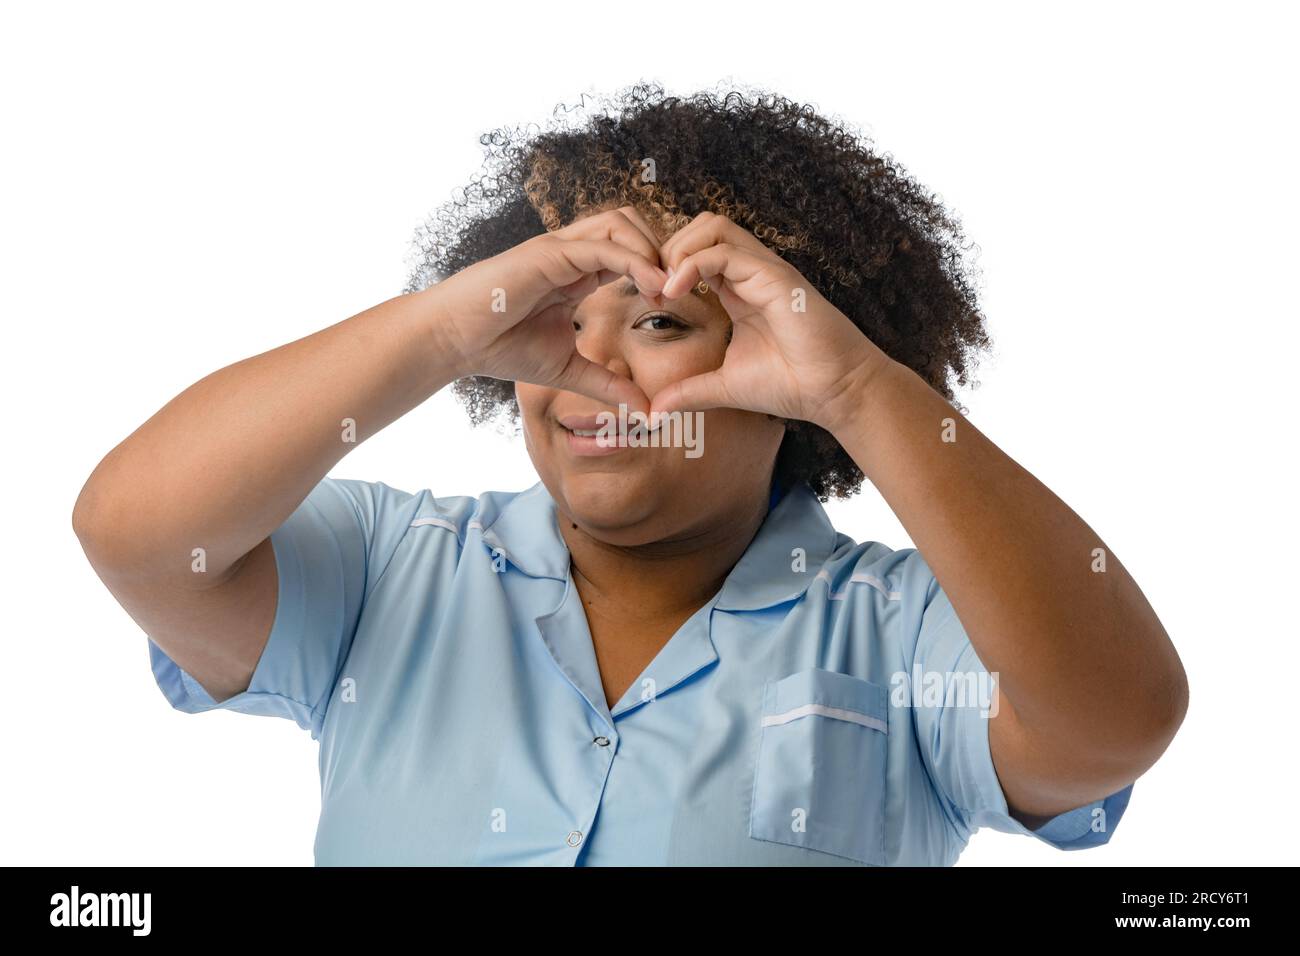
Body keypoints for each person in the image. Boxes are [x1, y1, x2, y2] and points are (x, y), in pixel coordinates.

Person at [72, 83, 1187, 865]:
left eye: (659, 319)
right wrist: (443, 328)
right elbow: (137, 528)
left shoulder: (900, 632)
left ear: (780, 364)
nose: (590, 363)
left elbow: (1113, 721)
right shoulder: (387, 569)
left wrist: (859, 384)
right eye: (555, 317)